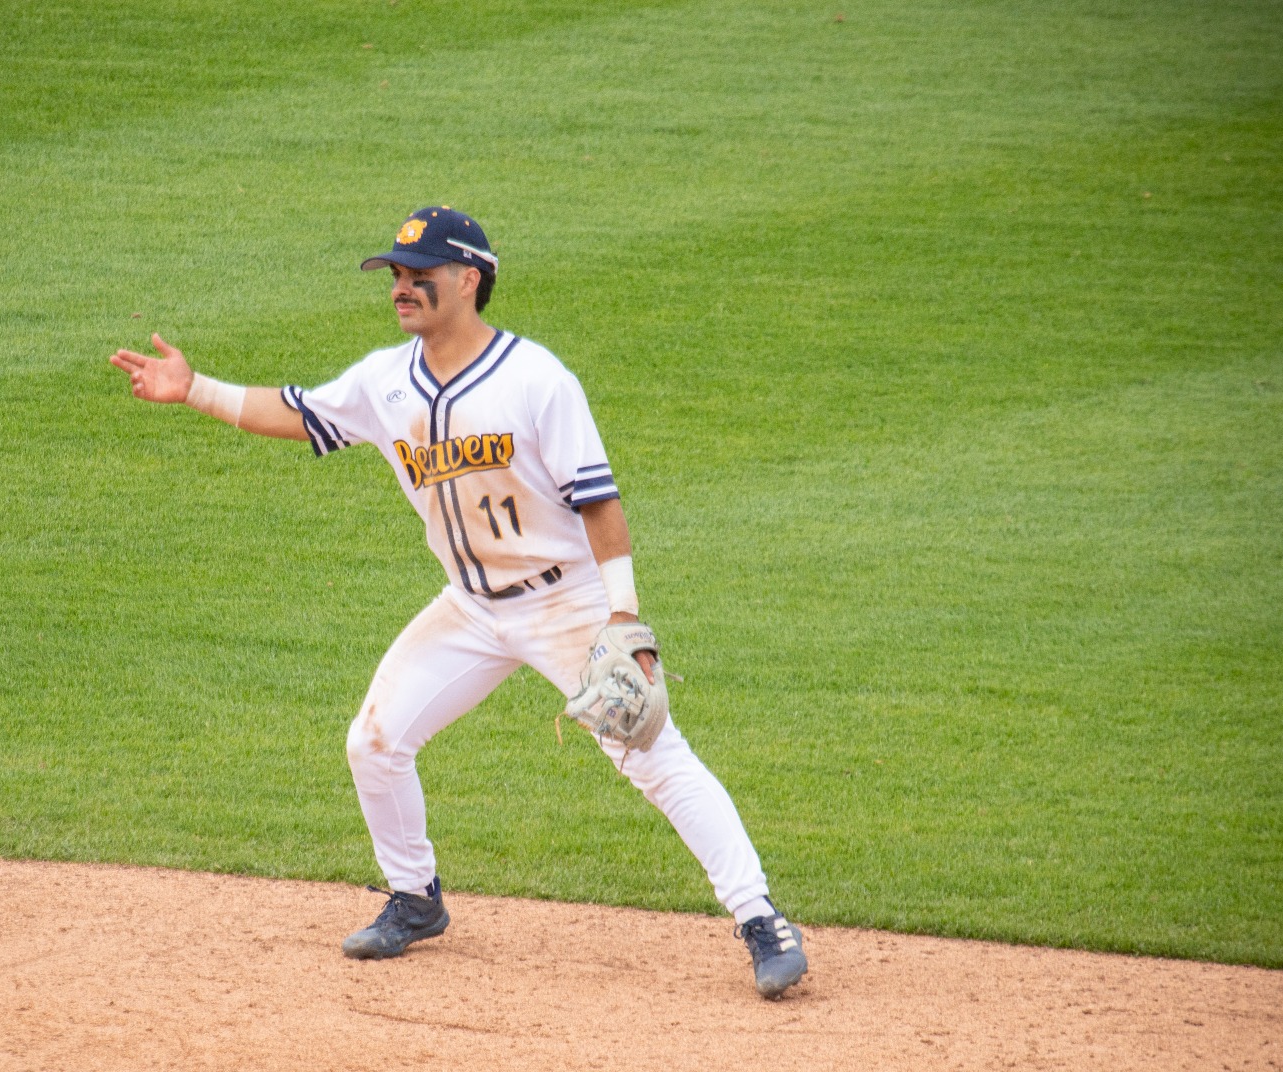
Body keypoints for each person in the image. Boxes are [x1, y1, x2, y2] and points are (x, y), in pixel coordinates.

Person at [109, 207, 807, 998]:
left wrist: (624, 618)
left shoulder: (537, 379)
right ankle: (415, 898)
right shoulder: (385, 380)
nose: (403, 288)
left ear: (469, 280)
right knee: (373, 741)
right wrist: (193, 387)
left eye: (420, 275)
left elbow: (599, 503)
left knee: (653, 756)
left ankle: (761, 919)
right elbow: (301, 412)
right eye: (396, 276)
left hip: (565, 601)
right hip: (472, 607)